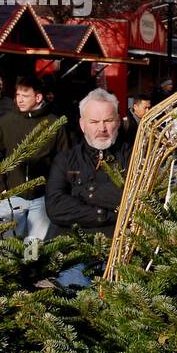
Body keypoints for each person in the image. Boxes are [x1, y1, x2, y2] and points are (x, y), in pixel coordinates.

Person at [45, 89, 132, 243]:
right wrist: (106, 215)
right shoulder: (65, 160)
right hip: (72, 249)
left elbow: (135, 200)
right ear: (82, 124)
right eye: (94, 122)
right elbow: (56, 207)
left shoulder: (132, 157)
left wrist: (83, 191)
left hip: (116, 248)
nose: (102, 129)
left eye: (108, 121)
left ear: (118, 122)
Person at [0, 75, 70, 242]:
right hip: (11, 195)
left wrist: (55, 190)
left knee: (35, 247)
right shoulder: (5, 123)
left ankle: (33, 268)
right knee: (9, 246)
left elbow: (63, 159)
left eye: (25, 95)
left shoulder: (54, 124)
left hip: (42, 197)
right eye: (18, 95)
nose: (19, 100)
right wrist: (1, 188)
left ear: (38, 97)